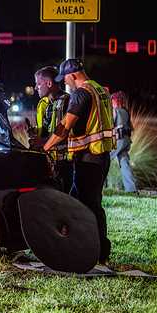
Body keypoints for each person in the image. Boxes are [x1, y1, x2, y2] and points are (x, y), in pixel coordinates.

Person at [44, 58, 116, 266]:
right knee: (85, 202)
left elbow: (65, 126)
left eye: (65, 79)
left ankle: (95, 251)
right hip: (101, 156)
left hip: (88, 159)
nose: (65, 83)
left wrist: (45, 147)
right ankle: (97, 250)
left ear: (73, 75)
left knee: (87, 206)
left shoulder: (81, 93)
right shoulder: (100, 90)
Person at [33, 66, 73, 194]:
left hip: (65, 162)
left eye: (38, 84)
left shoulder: (67, 101)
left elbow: (66, 132)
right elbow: (50, 129)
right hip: (50, 160)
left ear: (49, 83)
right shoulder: (47, 104)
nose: (35, 88)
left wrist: (42, 142)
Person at [111, 91, 137, 193]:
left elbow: (110, 125)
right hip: (126, 141)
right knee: (124, 163)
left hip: (118, 141)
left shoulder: (115, 111)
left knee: (103, 162)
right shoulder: (125, 111)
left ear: (115, 101)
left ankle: (98, 188)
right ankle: (131, 189)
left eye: (112, 100)